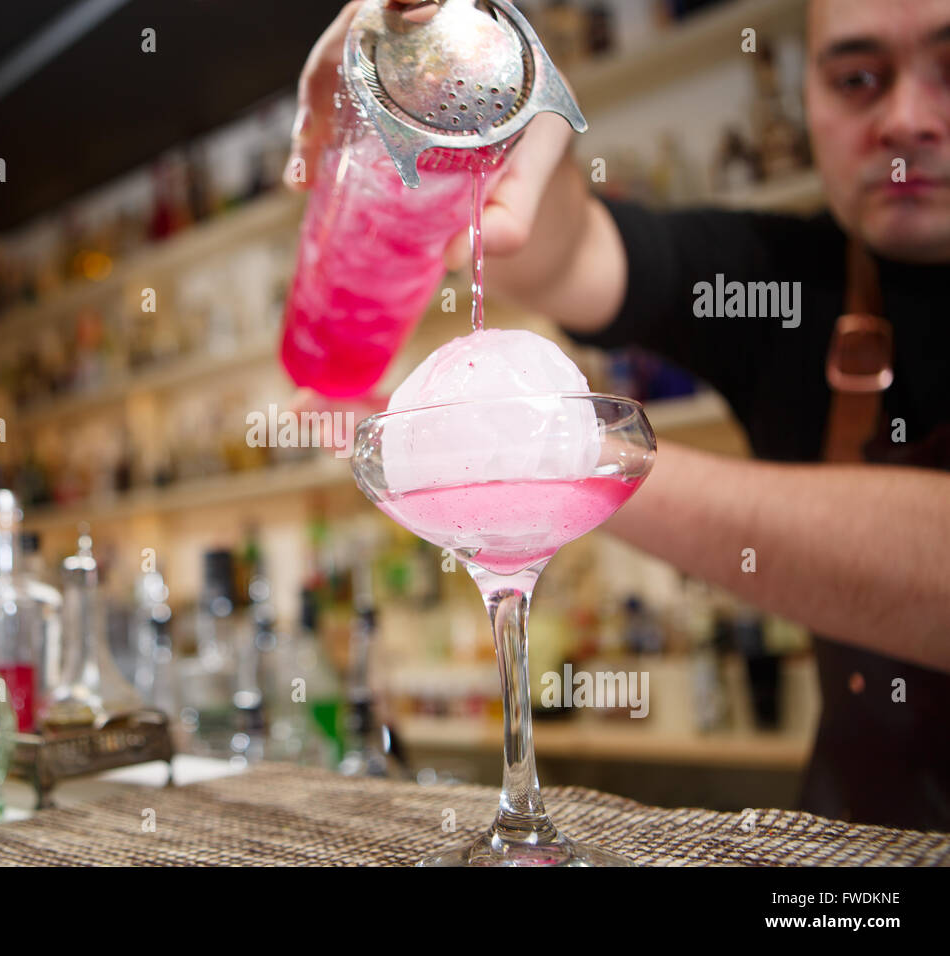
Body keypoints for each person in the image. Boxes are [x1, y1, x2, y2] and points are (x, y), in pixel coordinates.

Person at [289, 0, 950, 830]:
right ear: (806, 85)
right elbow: (564, 250)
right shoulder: (784, 274)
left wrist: (535, 455)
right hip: (854, 852)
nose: (907, 121)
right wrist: (476, 96)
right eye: (857, 79)